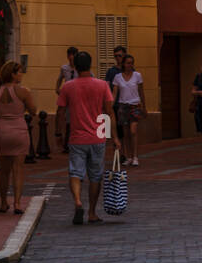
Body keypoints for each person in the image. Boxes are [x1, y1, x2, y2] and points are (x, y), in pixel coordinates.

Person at [55, 50, 119, 225]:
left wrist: (59, 133)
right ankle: (91, 212)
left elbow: (60, 112)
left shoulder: (68, 87)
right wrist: (114, 137)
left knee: (75, 172)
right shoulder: (102, 86)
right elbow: (109, 112)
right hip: (98, 136)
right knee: (95, 176)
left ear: (74, 66)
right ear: (90, 65)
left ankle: (77, 201)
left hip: (77, 136)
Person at [0, 60, 36, 214]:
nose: (21, 74)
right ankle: (17, 203)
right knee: (18, 169)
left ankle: (2, 203)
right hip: (19, 131)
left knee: (4, 170)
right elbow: (34, 110)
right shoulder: (23, 91)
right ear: (13, 74)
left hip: (2, 132)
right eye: (19, 72)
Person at [113, 54, 146, 166]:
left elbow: (141, 92)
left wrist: (144, 107)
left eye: (131, 63)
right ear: (123, 64)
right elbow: (114, 94)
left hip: (135, 106)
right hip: (123, 107)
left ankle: (135, 156)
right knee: (126, 133)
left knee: (133, 130)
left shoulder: (137, 76)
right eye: (128, 63)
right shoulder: (117, 77)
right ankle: (128, 157)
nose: (130, 65)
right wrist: (110, 106)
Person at [55, 46, 78, 150]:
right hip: (66, 95)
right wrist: (57, 88)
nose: (71, 58)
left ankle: (71, 142)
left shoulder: (80, 68)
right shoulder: (64, 68)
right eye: (70, 56)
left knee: (73, 119)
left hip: (77, 97)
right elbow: (60, 78)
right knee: (63, 116)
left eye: (73, 56)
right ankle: (65, 141)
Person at [104, 45, 127, 142]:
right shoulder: (111, 71)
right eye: (116, 56)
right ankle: (119, 153)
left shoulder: (130, 71)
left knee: (127, 130)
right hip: (115, 104)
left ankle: (127, 154)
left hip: (127, 104)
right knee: (117, 130)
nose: (117, 58)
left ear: (124, 55)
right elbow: (107, 86)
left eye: (119, 55)